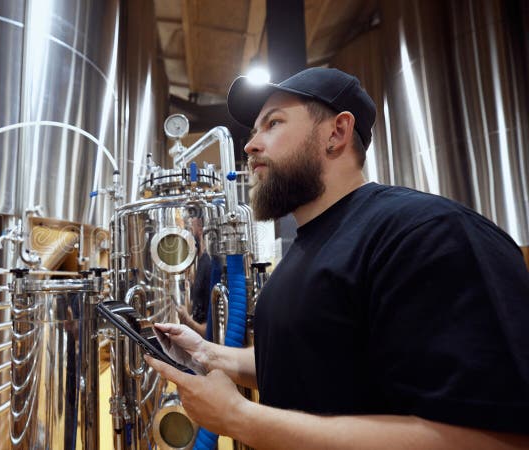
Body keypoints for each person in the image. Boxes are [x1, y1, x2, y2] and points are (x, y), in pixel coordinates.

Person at [145, 67, 529, 449]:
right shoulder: (306, 249)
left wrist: (241, 419)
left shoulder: (427, 233)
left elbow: (495, 438)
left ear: (337, 132)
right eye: (253, 131)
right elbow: (314, 361)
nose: (250, 145)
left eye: (273, 123)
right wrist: (209, 354)